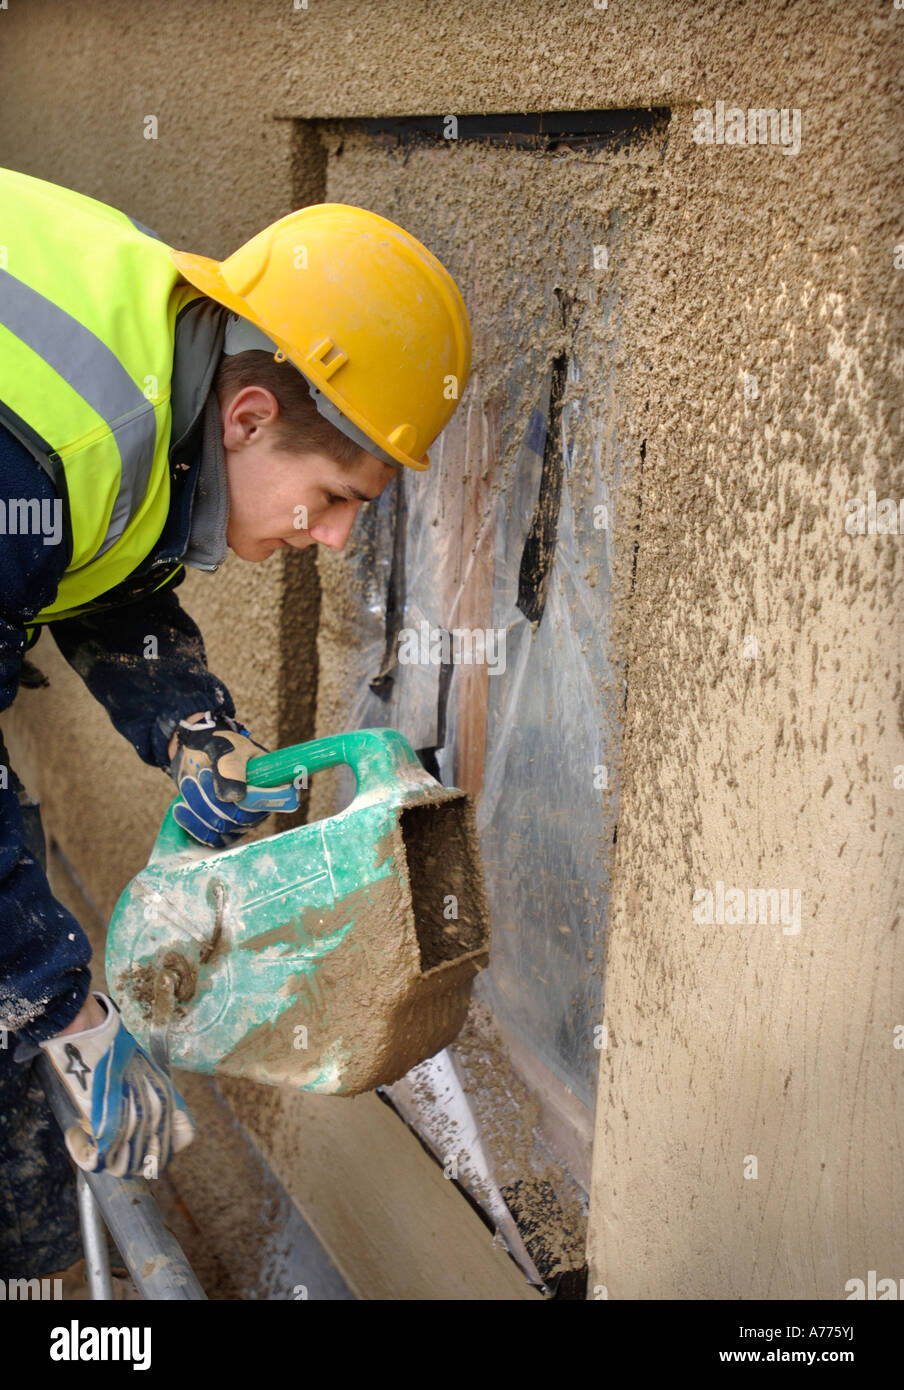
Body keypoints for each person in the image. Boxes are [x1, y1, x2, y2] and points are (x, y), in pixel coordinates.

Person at [0, 167, 471, 1278]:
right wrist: (64, 1009)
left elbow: (98, 551)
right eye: (338, 495)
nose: (340, 537)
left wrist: (193, 728)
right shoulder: (47, 444)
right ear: (251, 415)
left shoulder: (159, 371)